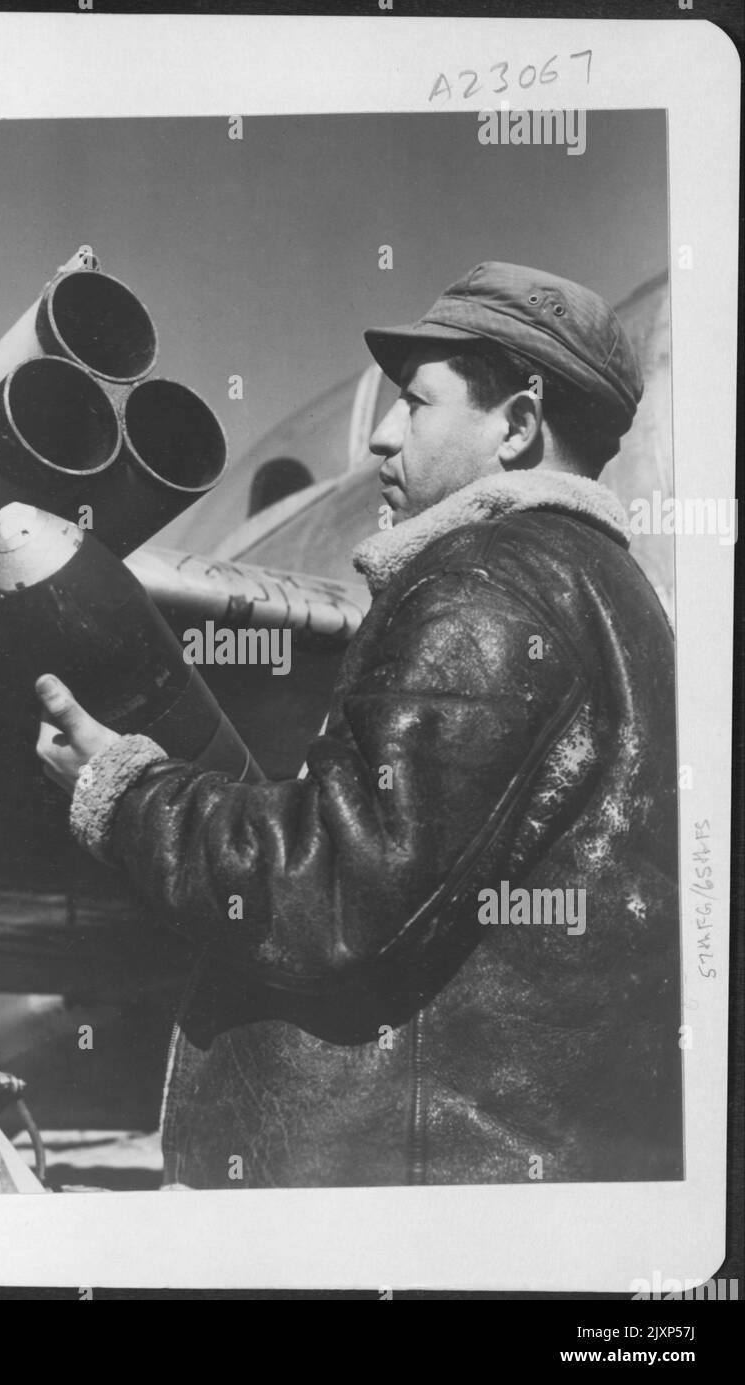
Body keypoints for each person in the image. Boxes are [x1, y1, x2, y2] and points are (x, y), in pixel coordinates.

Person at [34, 261, 682, 1188]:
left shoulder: (486, 579)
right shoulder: (622, 605)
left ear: (519, 426)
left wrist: (124, 788)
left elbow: (331, 888)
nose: (382, 437)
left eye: (415, 404)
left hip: (400, 1186)